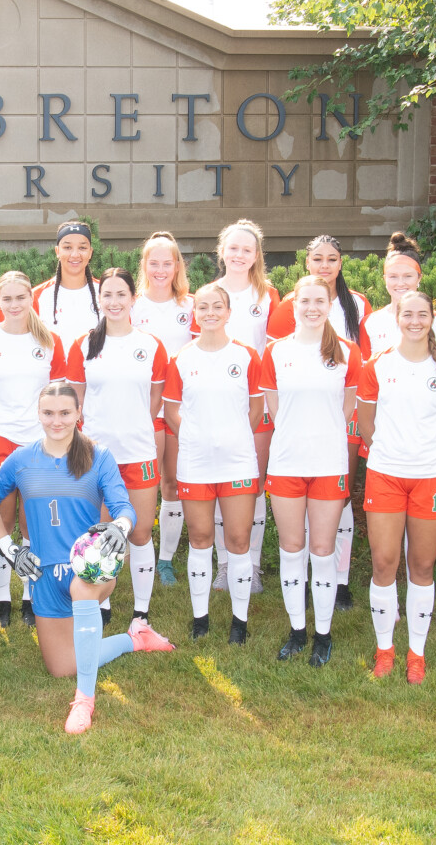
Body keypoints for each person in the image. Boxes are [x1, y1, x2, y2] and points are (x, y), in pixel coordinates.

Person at [0, 383, 174, 734]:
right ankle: (135, 637)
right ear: (38, 414)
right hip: (42, 574)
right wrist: (9, 548)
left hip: (89, 567)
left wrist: (121, 526)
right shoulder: (22, 459)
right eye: (49, 413)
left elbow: (123, 505)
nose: (57, 421)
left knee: (85, 589)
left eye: (65, 413)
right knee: (63, 666)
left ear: (79, 414)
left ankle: (84, 701)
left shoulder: (98, 456)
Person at [357, 291, 436, 684]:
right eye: (408, 314)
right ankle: (385, 649)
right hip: (385, 473)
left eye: (423, 314)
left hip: (430, 477)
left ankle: (416, 654)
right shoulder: (377, 365)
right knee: (385, 563)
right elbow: (366, 422)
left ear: (433, 320)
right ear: (397, 318)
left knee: (422, 565)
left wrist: (428, 455)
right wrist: (390, 451)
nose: (415, 321)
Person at [259, 274, 363, 667]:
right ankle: (296, 631)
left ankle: (323, 634)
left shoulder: (348, 353)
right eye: (305, 301)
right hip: (287, 463)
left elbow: (347, 409)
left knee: (322, 550)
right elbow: (275, 410)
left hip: (328, 464)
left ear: (330, 305)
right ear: (294, 306)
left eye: (320, 301)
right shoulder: (275, 353)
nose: (312, 308)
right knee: (291, 549)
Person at [267, 234, 370, 609]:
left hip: (334, 433)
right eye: (318, 259)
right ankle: (303, 591)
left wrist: (328, 424)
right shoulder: (285, 317)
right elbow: (274, 397)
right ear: (307, 262)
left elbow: (351, 396)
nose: (325, 265)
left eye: (332, 259)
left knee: (338, 509)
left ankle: (337, 582)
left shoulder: (356, 306)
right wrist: (298, 424)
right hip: (294, 441)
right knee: (295, 534)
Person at [66, 268, 170, 633]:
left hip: (138, 452)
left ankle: (141, 611)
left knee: (139, 533)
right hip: (95, 456)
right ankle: (102, 601)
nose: (113, 302)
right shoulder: (83, 345)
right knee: (99, 530)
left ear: (132, 299)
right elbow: (75, 400)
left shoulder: (152, 345)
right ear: (100, 300)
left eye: (121, 294)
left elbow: (154, 399)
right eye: (106, 295)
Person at [0, 271, 69, 627]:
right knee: (0, 521)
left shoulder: (50, 342)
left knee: (33, 523)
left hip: (39, 442)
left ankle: (29, 596)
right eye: (6, 299)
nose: (13, 305)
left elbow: (59, 396)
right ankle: (2, 598)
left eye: (20, 298)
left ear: (30, 299)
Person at [161, 283, 264, 642]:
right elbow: (172, 410)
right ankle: (200, 618)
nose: (209, 312)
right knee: (201, 538)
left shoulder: (247, 356)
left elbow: (255, 408)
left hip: (237, 462)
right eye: (202, 307)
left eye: (216, 306)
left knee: (238, 541)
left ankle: (240, 621)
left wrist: (232, 436)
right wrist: (194, 437)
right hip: (195, 462)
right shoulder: (182, 358)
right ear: (194, 313)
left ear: (228, 312)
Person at [214, 219, 281, 592]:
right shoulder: (206, 294)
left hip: (256, 403)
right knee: (220, 481)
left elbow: (274, 355)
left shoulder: (268, 297)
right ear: (222, 251)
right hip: (216, 405)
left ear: (257, 256)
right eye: (233, 248)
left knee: (253, 485)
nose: (239, 255)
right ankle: (224, 563)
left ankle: (251, 564)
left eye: (247, 249)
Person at [132, 232, 196, 588]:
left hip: (180, 408)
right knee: (143, 482)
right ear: (144, 266)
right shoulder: (132, 305)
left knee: (172, 482)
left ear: (177, 266)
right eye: (153, 263)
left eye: (166, 263)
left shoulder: (191, 306)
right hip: (139, 409)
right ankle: (132, 549)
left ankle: (166, 559)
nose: (160, 270)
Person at [359, 232, 436, 358]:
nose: (400, 283)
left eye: (408, 276)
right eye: (393, 276)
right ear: (384, 279)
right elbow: (365, 371)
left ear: (419, 278)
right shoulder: (370, 323)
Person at [32, 221, 103, 345]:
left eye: (82, 248)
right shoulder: (36, 296)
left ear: (90, 252)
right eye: (67, 247)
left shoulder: (106, 293)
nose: (75, 254)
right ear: (57, 251)